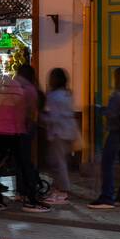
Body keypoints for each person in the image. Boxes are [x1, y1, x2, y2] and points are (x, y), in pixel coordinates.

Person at [0, 72, 48, 212]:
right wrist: (22, 129)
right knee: (24, 165)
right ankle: (31, 200)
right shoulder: (19, 95)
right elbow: (22, 115)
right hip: (13, 133)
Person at [90, 66, 120, 209]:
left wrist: (99, 109)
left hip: (116, 133)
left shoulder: (117, 95)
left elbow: (111, 114)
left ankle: (107, 197)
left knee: (107, 164)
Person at [42, 68, 77, 204]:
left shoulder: (54, 96)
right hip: (68, 131)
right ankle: (58, 189)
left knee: (57, 163)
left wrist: (41, 117)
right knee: (58, 161)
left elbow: (53, 117)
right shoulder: (67, 94)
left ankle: (62, 191)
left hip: (58, 132)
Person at [14, 62, 46, 206]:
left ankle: (23, 190)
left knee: (20, 161)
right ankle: (26, 189)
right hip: (29, 126)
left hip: (20, 127)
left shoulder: (21, 89)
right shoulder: (33, 89)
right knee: (25, 159)